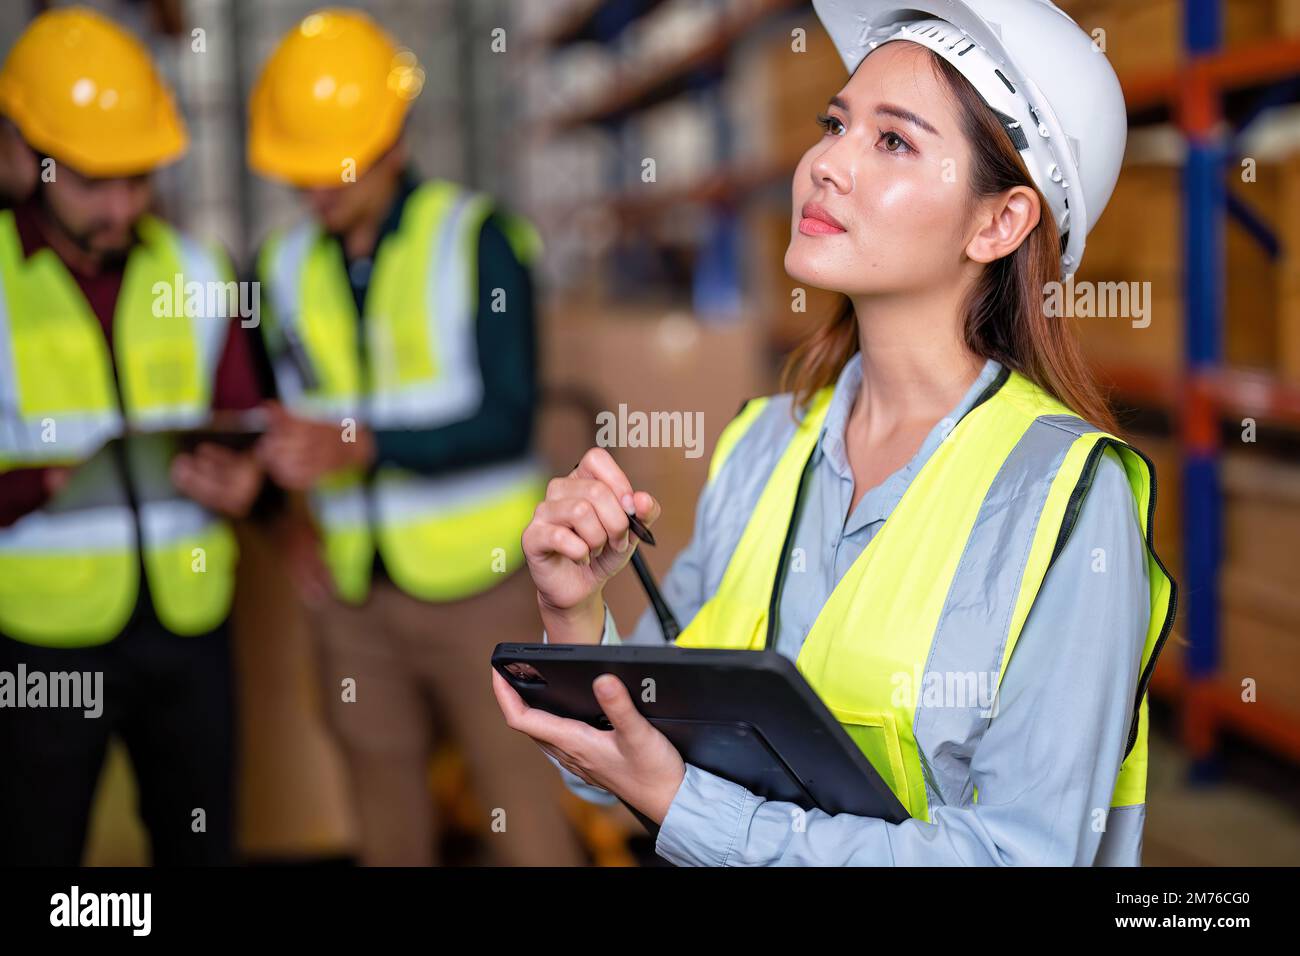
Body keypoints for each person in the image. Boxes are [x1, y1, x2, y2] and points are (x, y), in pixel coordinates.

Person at [495, 0, 1176, 866]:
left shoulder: (1068, 499)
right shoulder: (765, 447)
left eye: (892, 141)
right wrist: (575, 617)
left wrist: (695, 815)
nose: (825, 164)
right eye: (835, 123)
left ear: (998, 223)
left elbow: (1021, 855)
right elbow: (631, 759)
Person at [247, 8, 585, 866]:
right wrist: (280, 520)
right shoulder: (280, 266)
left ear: (392, 139)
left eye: (335, 169)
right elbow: (267, 418)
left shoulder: (476, 241)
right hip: (352, 596)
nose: (317, 190)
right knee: (386, 827)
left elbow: (508, 420)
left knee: (525, 818)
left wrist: (363, 445)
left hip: (484, 589)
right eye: (302, 173)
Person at [0, 7, 266, 865]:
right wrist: (40, 483)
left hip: (188, 624)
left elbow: (242, 420)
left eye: (138, 178)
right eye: (93, 181)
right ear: (23, 154)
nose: (122, 206)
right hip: (42, 636)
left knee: (201, 844)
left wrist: (248, 482)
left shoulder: (198, 271)